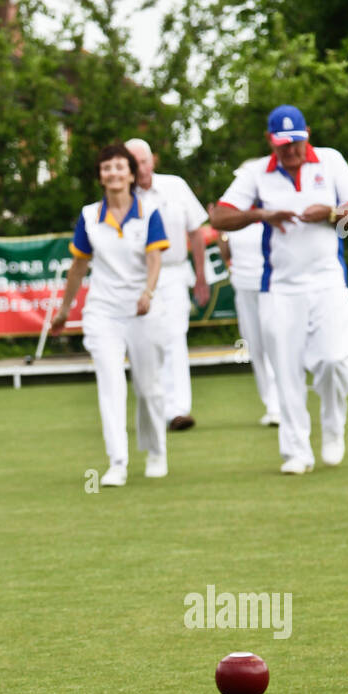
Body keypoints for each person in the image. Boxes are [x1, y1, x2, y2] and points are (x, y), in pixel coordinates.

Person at [211, 105, 348, 474]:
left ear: (307, 133)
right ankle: (296, 451)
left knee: (333, 360)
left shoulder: (330, 161)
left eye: (296, 143)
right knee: (286, 369)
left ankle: (332, 424)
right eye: (282, 145)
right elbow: (219, 217)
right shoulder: (257, 173)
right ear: (269, 141)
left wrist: (329, 214)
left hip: (328, 282)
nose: (290, 152)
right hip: (278, 287)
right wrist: (261, 214)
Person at [50, 143, 169, 486]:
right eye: (106, 168)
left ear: (132, 174)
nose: (113, 173)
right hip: (103, 312)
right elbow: (78, 266)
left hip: (144, 311)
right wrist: (63, 310)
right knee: (111, 385)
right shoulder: (89, 216)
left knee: (148, 388)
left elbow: (155, 259)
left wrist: (147, 292)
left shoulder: (150, 212)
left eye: (119, 167)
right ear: (100, 176)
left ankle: (157, 451)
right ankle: (117, 462)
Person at [125, 138, 209, 431]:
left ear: (153, 161)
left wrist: (201, 277)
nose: (141, 168)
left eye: (144, 161)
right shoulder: (121, 197)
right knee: (148, 341)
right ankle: (155, 407)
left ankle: (178, 410)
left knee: (175, 337)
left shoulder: (175, 185)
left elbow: (196, 232)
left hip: (173, 272)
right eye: (134, 163)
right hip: (138, 276)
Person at [215, 175, 280, 425]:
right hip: (243, 287)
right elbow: (226, 253)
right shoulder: (234, 218)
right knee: (255, 345)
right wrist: (222, 234)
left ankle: (283, 400)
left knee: (275, 341)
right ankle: (271, 404)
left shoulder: (271, 211)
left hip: (270, 286)